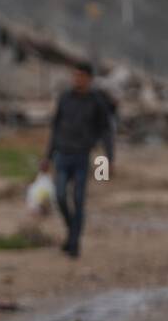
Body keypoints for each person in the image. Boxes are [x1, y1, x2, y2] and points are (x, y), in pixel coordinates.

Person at [40, 61, 115, 258]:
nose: (77, 80)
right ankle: (72, 231)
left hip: (81, 156)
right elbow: (55, 128)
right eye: (75, 76)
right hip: (62, 155)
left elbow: (106, 130)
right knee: (60, 196)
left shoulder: (97, 102)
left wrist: (109, 157)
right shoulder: (65, 98)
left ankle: (74, 243)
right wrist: (47, 156)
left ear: (89, 79)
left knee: (79, 200)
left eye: (81, 76)